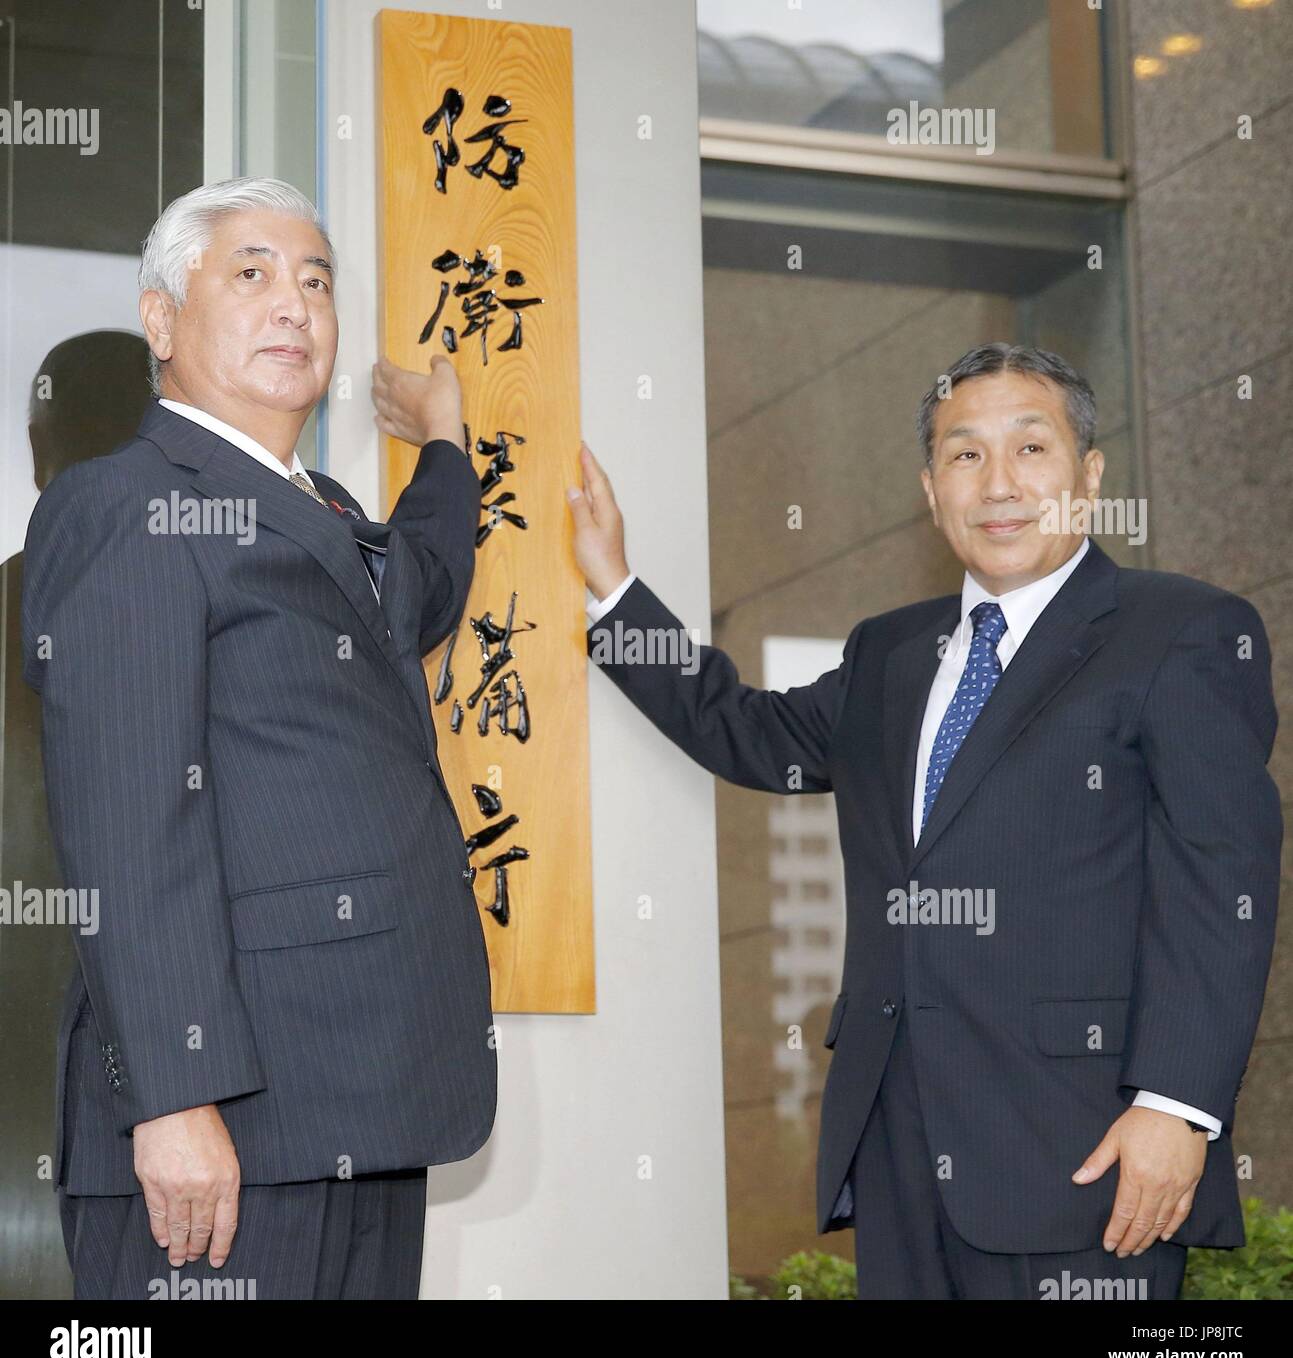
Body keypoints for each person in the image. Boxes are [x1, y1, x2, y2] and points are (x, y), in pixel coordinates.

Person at [567, 343, 1281, 1300]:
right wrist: (614, 587)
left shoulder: (1180, 633)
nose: (998, 484)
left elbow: (1220, 883)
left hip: (1086, 1152)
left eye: (1031, 449)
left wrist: (1177, 1106)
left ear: (1090, 475)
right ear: (930, 487)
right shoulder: (890, 653)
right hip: (900, 1146)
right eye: (963, 455)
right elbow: (744, 731)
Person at [22, 177, 494, 1300]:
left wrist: (445, 443)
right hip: (224, 1131)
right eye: (253, 275)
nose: (295, 304)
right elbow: (127, 820)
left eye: (316, 281)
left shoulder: (316, 507)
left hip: (360, 1108)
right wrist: (177, 1099)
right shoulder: (129, 501)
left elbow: (415, 589)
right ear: (162, 319)